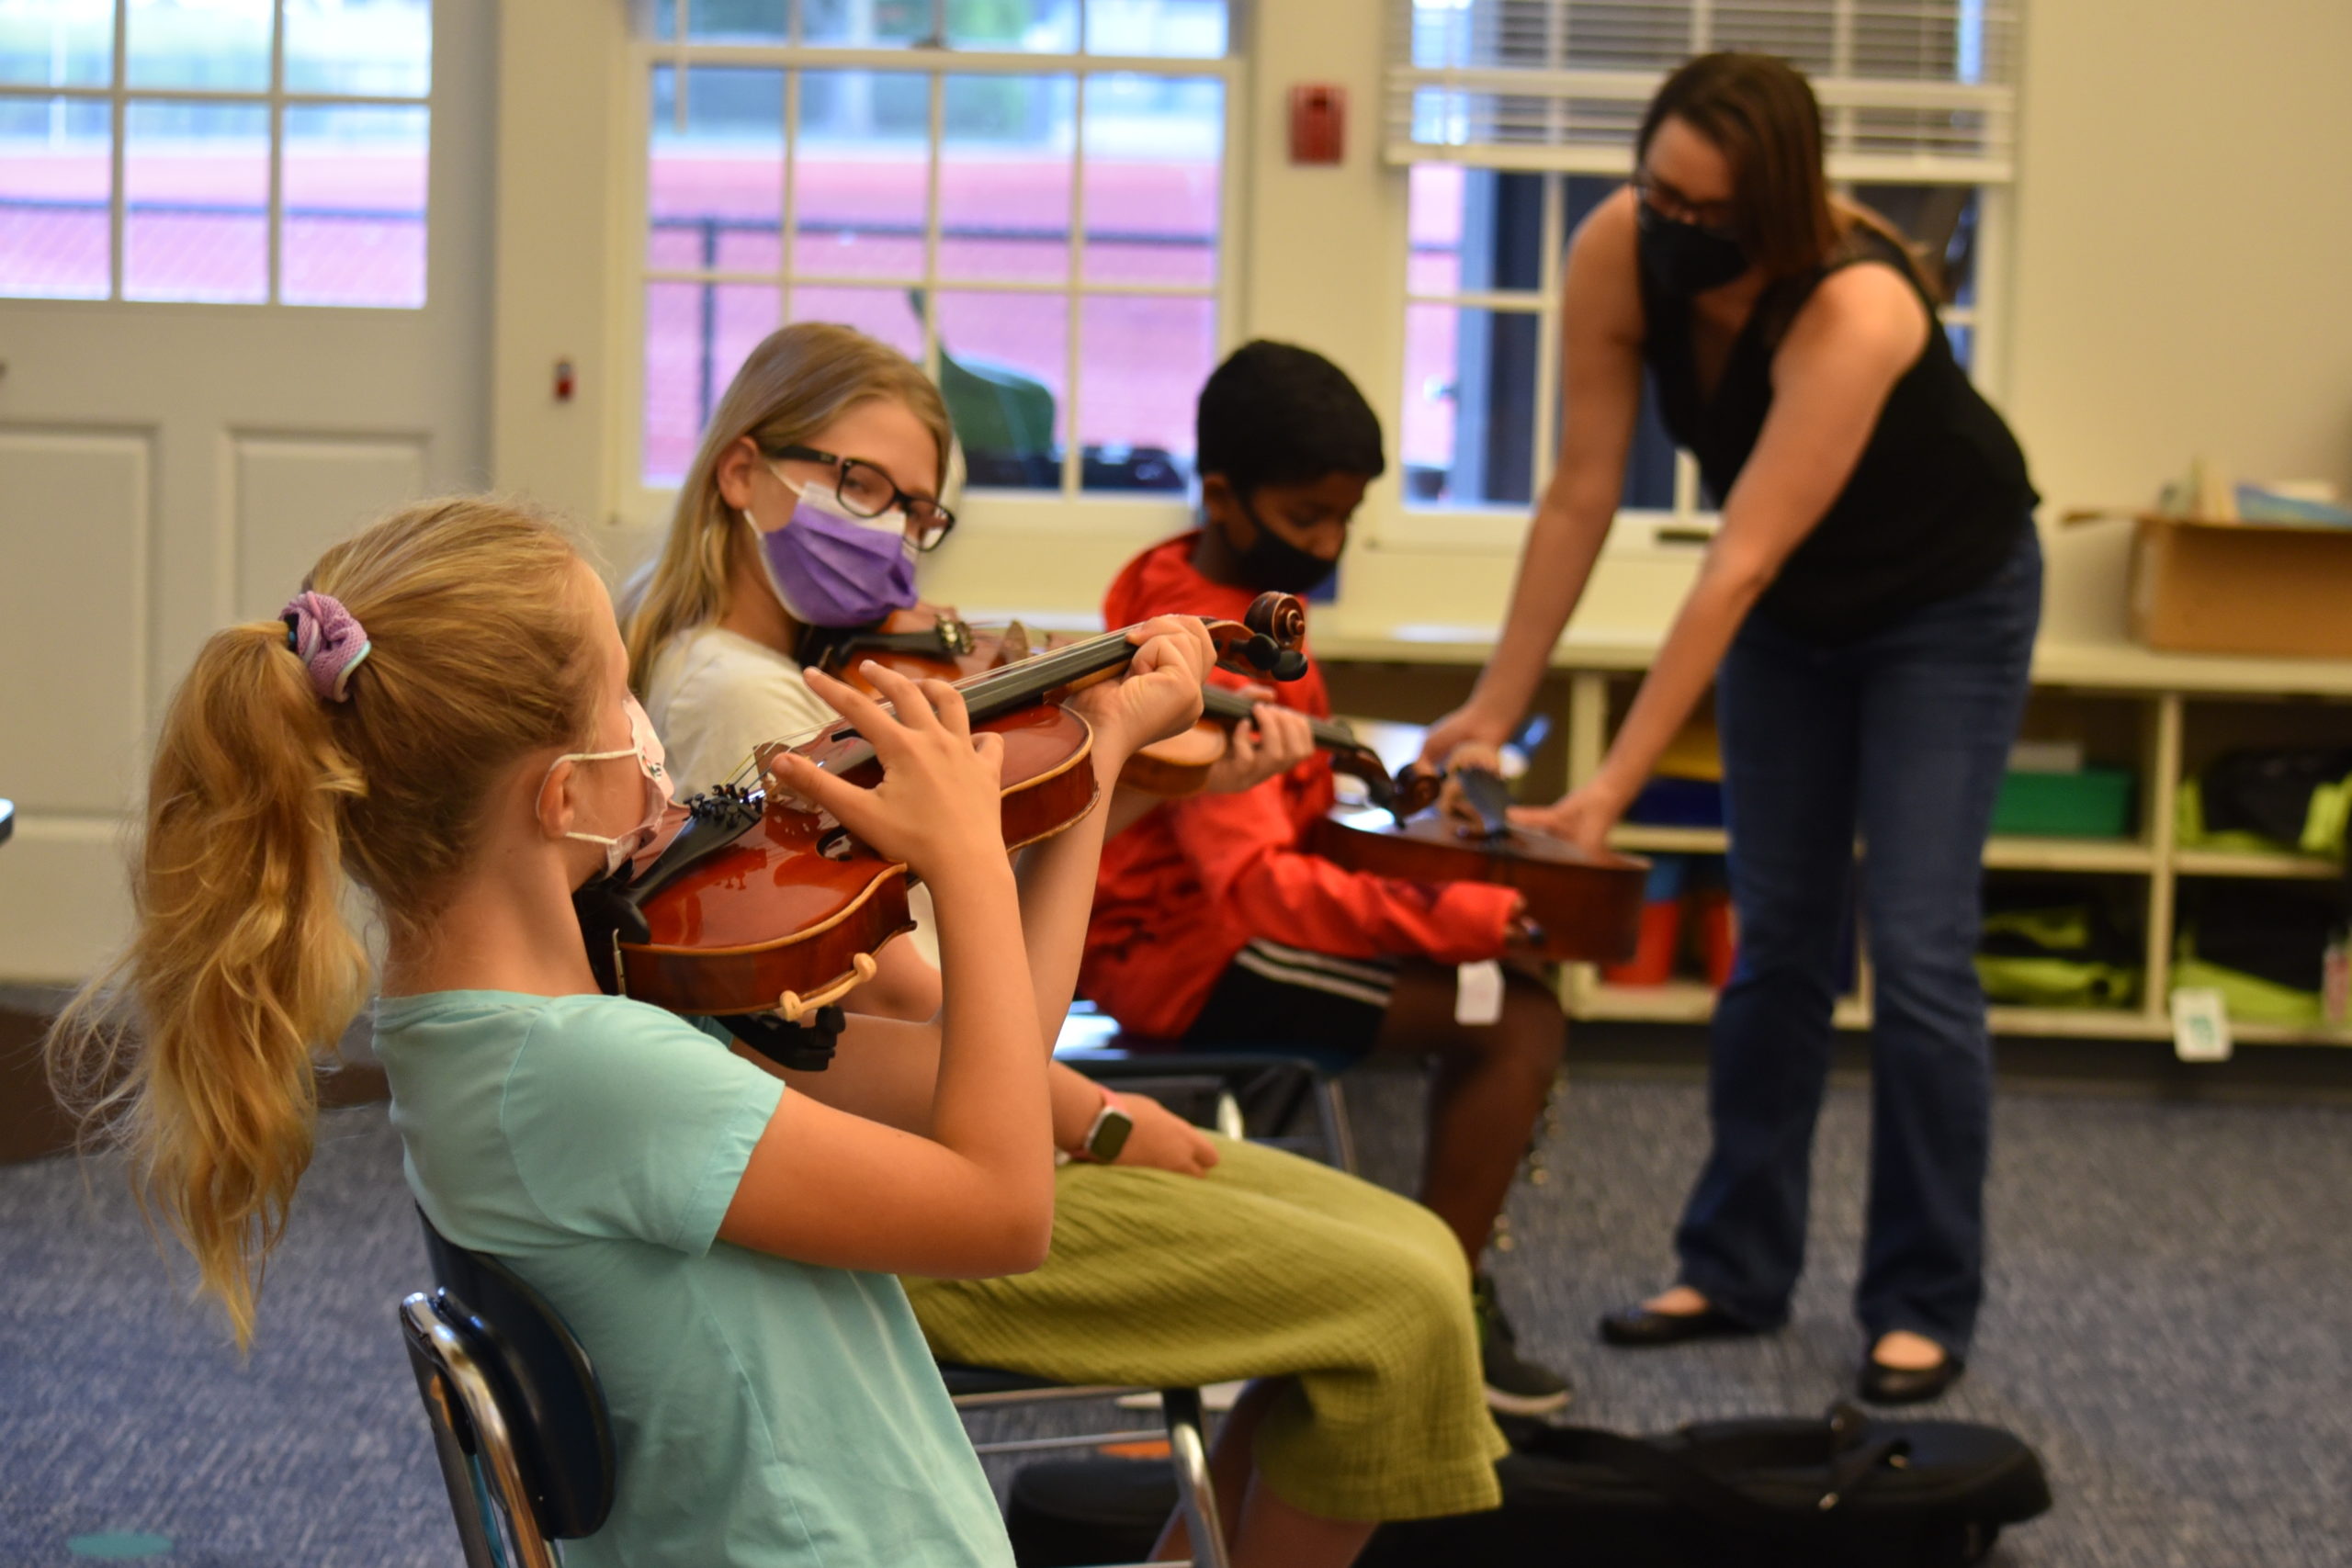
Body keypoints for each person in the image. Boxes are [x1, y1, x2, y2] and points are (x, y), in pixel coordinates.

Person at [43, 494, 1220, 1565]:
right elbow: (1006, 1210)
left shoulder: (517, 1025)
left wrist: (1094, 762)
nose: (644, 722)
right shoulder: (589, 1071)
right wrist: (960, 858)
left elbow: (982, 1056)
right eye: (619, 692)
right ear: (562, 797)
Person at [623, 321, 1510, 1568]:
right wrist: (1095, 1108)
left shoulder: (788, 672)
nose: (887, 533)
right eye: (862, 486)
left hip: (945, 1128)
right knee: (1407, 1297)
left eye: (917, 512)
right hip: (895, 1194)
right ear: (742, 471)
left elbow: (928, 969)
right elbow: (961, 1036)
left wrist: (1117, 778)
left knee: (1407, 1262)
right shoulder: (754, 705)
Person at [1419, 52, 2042, 1405]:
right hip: (1797, 613)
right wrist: (1499, 702)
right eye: (1658, 192)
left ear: (1776, 204)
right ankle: (1737, 1263)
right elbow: (1584, 488)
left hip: (1945, 601)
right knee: (1777, 939)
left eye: (1707, 212)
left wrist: (1608, 796)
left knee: (1921, 949)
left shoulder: (1860, 303)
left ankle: (1922, 1296)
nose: (1670, 225)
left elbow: (1735, 561)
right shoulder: (1615, 245)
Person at [1082, 338, 1577, 1416]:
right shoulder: (1217, 638)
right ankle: (1439, 1315)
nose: (1330, 543)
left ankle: (1437, 1293)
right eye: (1309, 518)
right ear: (1222, 492)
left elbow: (1292, 802)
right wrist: (1470, 917)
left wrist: (1418, 832)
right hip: (1188, 960)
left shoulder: (1211, 584)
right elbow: (1258, 890)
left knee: (1506, 998)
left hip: (1200, 935)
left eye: (1345, 518)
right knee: (1515, 1019)